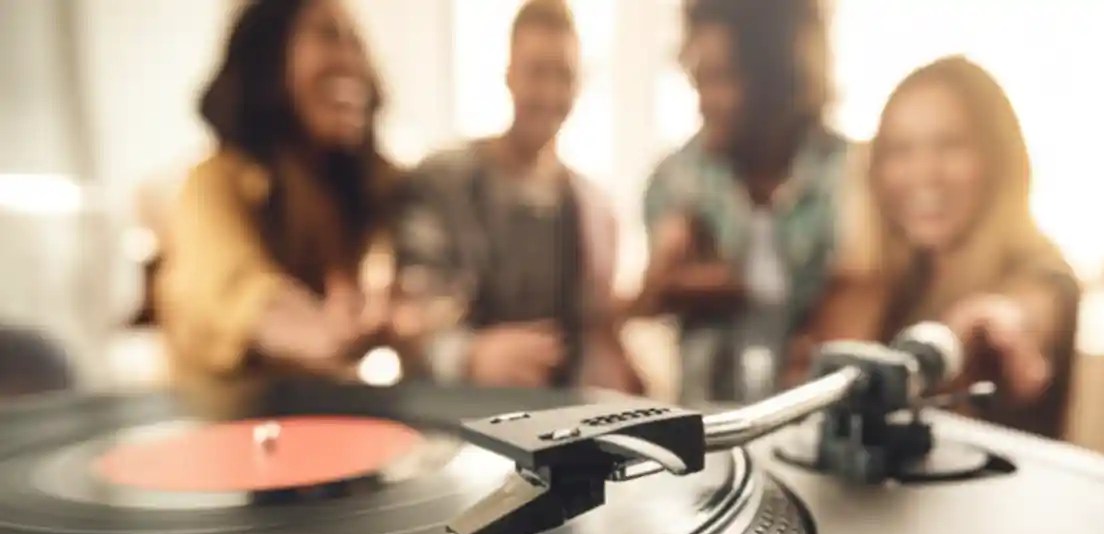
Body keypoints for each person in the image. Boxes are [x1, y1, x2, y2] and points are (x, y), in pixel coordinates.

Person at [157, 0, 424, 387]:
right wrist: (330, 334)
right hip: (226, 425)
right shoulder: (213, 182)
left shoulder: (363, 189)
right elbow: (236, 293)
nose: (353, 62)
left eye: (358, 44)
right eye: (328, 36)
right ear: (268, 59)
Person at [809, 56, 1080, 437]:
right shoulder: (897, 282)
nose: (925, 172)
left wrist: (986, 324)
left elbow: (1021, 314)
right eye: (901, 150)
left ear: (997, 157)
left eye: (951, 145)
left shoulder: (1042, 273)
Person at [395, 0, 640, 392]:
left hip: (559, 423)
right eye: (537, 72)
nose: (550, 93)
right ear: (509, 74)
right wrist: (469, 356)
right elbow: (408, 315)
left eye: (564, 76)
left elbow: (597, 330)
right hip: (451, 415)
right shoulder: (441, 181)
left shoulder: (594, 209)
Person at [631, 0, 850, 404]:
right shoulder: (676, 177)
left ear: (777, 75)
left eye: (723, 79)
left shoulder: (849, 174)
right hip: (707, 428)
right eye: (698, 81)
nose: (704, 102)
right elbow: (653, 295)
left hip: (818, 424)